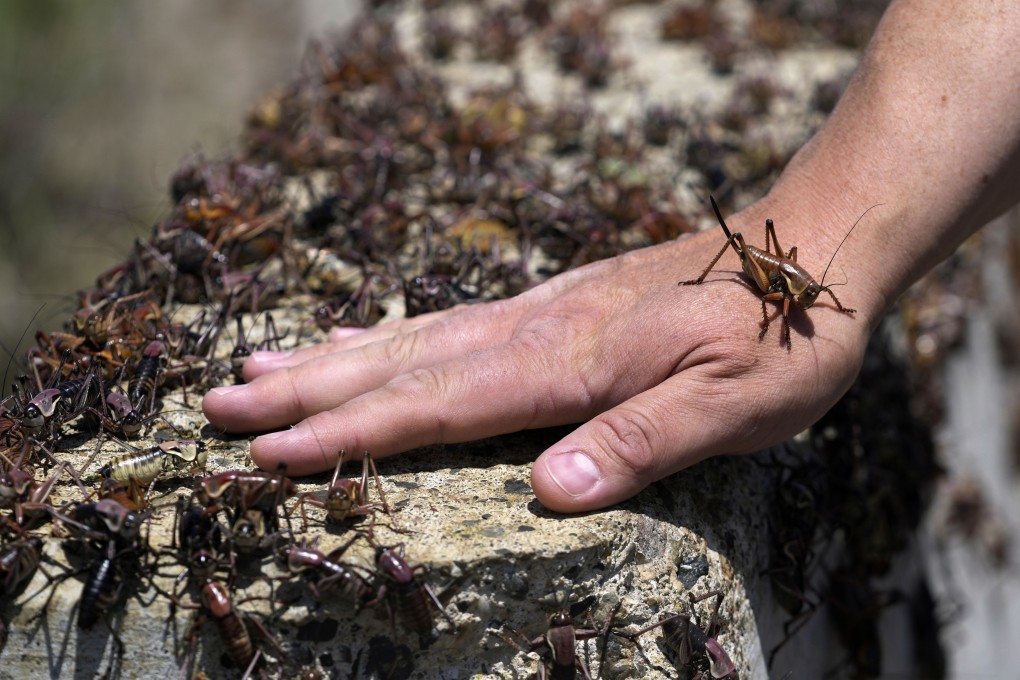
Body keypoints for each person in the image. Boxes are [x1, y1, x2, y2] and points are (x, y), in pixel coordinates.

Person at [203, 0, 1020, 514]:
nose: (801, 304)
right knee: (748, 253)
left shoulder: (809, 298)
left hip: (794, 261)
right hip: (754, 254)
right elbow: (777, 278)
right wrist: (803, 229)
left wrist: (836, 250)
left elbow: (814, 290)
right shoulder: (778, 290)